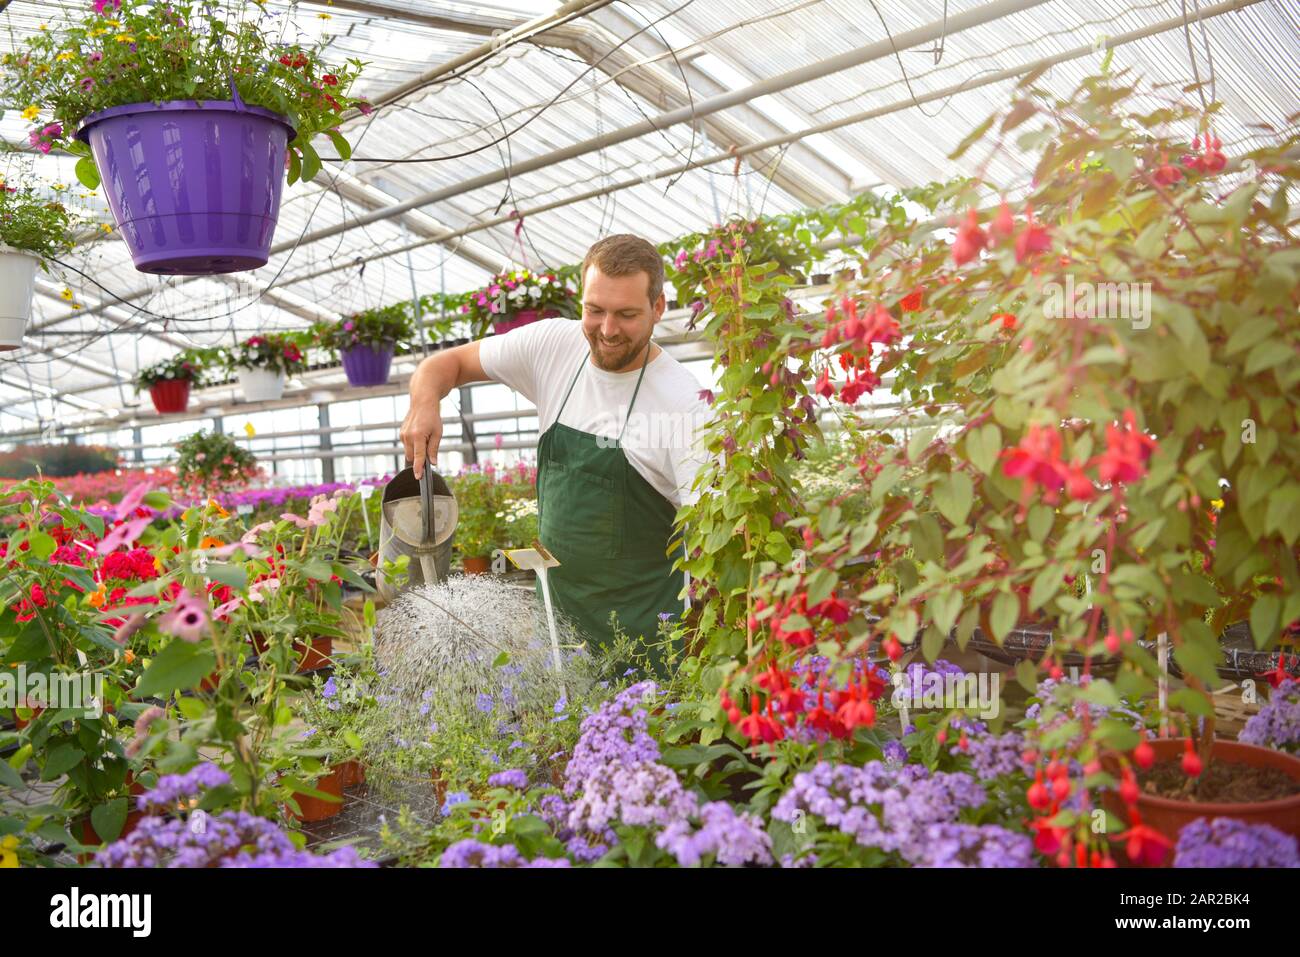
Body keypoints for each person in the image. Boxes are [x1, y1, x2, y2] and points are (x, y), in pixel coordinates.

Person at [401, 234, 710, 675]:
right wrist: (424, 402)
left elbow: (718, 547)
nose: (607, 330)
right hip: (557, 634)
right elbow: (444, 364)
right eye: (594, 310)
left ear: (658, 308)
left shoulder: (686, 405)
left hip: (647, 646)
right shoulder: (554, 347)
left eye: (626, 314)